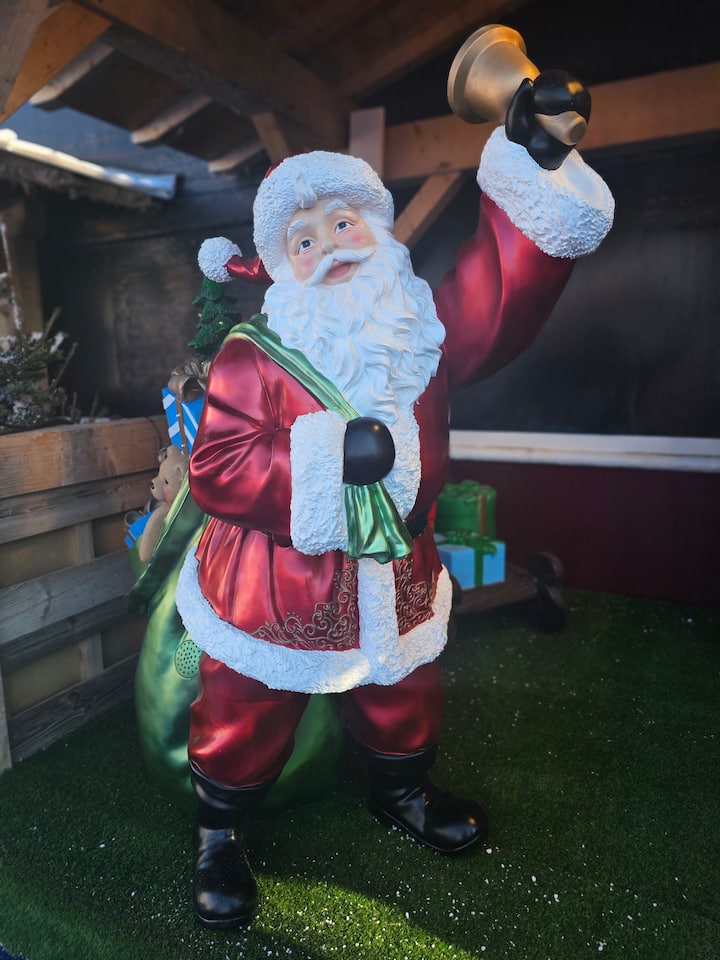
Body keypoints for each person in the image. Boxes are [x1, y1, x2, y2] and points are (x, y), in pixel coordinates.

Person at [175, 80, 614, 929]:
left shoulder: (419, 323)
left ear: (377, 231)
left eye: (345, 223)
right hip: (277, 581)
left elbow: (501, 293)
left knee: (404, 687)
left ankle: (401, 792)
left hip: (397, 569)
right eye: (303, 239)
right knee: (245, 707)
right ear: (278, 266)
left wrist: (535, 157)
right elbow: (218, 466)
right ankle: (218, 834)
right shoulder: (251, 357)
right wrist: (331, 459)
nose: (332, 245)